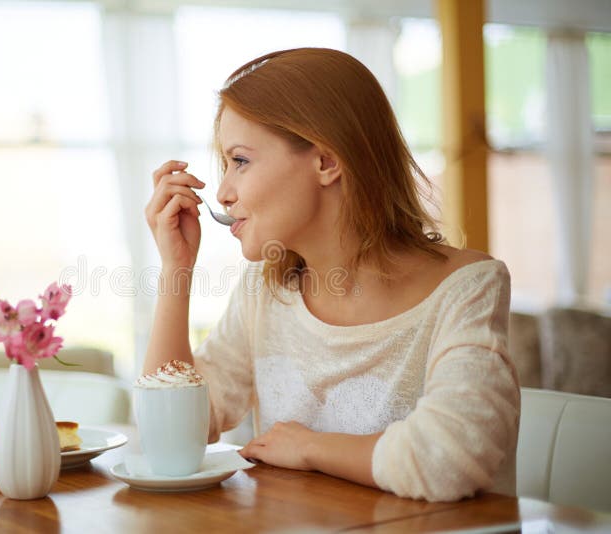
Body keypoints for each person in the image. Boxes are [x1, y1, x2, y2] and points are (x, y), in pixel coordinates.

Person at [143, 47, 519, 502]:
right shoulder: (265, 290)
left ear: (326, 162)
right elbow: (171, 435)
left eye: (240, 161)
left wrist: (309, 447)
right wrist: (176, 270)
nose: (222, 192)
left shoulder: (467, 288)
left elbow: (448, 459)